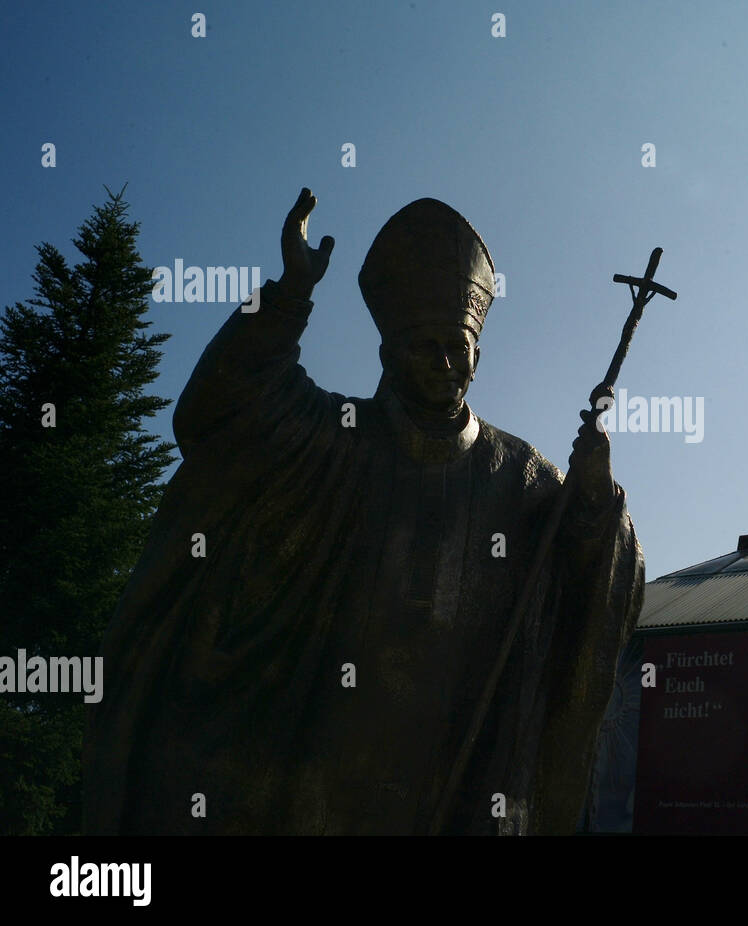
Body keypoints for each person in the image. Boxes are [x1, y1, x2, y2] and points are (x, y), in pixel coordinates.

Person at [83, 189, 645, 834]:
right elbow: (221, 416)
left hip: (456, 760)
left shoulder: (523, 479)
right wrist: (288, 296)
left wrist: (597, 500)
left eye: (455, 346)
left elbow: (592, 584)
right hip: (316, 750)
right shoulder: (335, 437)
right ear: (386, 352)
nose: (442, 362)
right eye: (422, 345)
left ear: (479, 355)